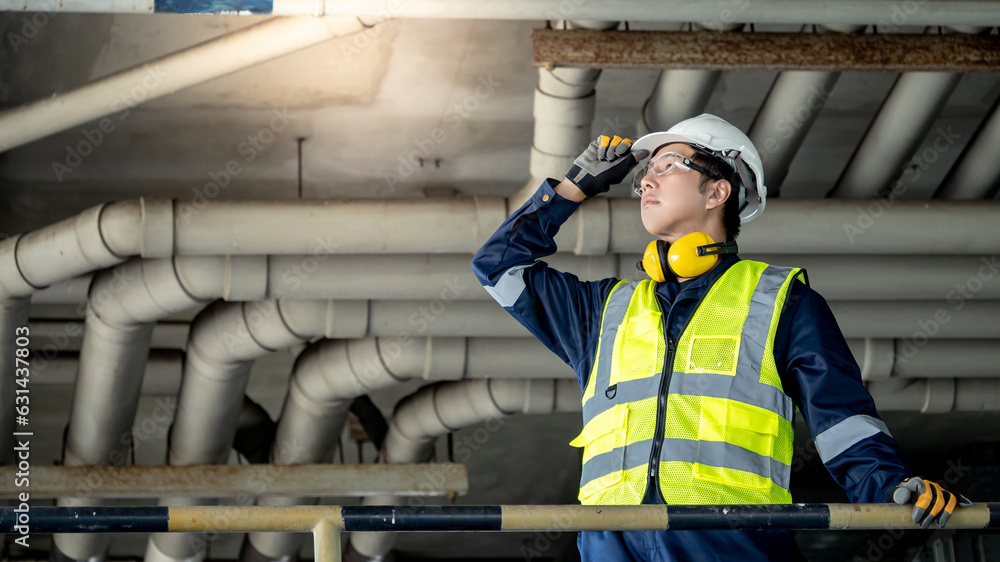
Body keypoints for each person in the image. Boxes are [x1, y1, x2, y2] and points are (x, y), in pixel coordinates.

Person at [471, 114, 971, 561]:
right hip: (608, 541)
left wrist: (892, 489)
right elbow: (497, 267)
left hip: (731, 540)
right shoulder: (603, 310)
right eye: (646, 172)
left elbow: (842, 421)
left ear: (717, 192)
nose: (646, 179)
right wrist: (570, 191)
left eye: (667, 164)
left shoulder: (781, 302)